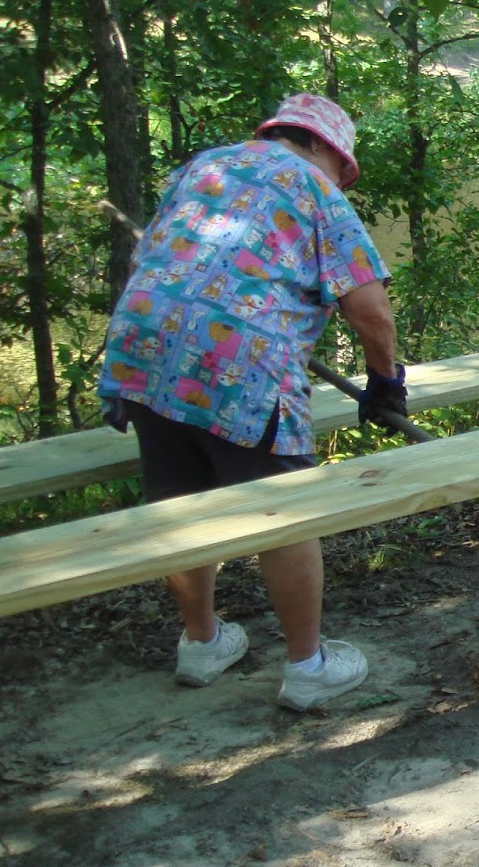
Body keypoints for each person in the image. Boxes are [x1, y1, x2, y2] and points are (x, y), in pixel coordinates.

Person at [97, 93, 408, 711]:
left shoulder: (205, 167)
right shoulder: (314, 187)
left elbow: (160, 256)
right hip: (234, 363)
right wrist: (386, 383)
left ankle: (202, 643)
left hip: (144, 344)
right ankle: (309, 667)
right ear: (323, 147)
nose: (338, 177)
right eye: (340, 166)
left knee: (181, 505)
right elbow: (369, 308)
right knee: (284, 513)